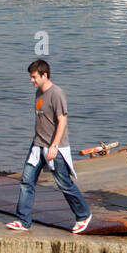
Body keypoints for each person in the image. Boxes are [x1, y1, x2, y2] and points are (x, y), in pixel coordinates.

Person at [7, 59, 92, 234]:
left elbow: (62, 121)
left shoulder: (57, 93)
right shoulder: (38, 93)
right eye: (31, 77)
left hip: (55, 147)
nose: (32, 80)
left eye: (34, 77)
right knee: (26, 181)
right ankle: (23, 220)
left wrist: (54, 145)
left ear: (44, 75)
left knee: (64, 184)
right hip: (37, 145)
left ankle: (83, 215)